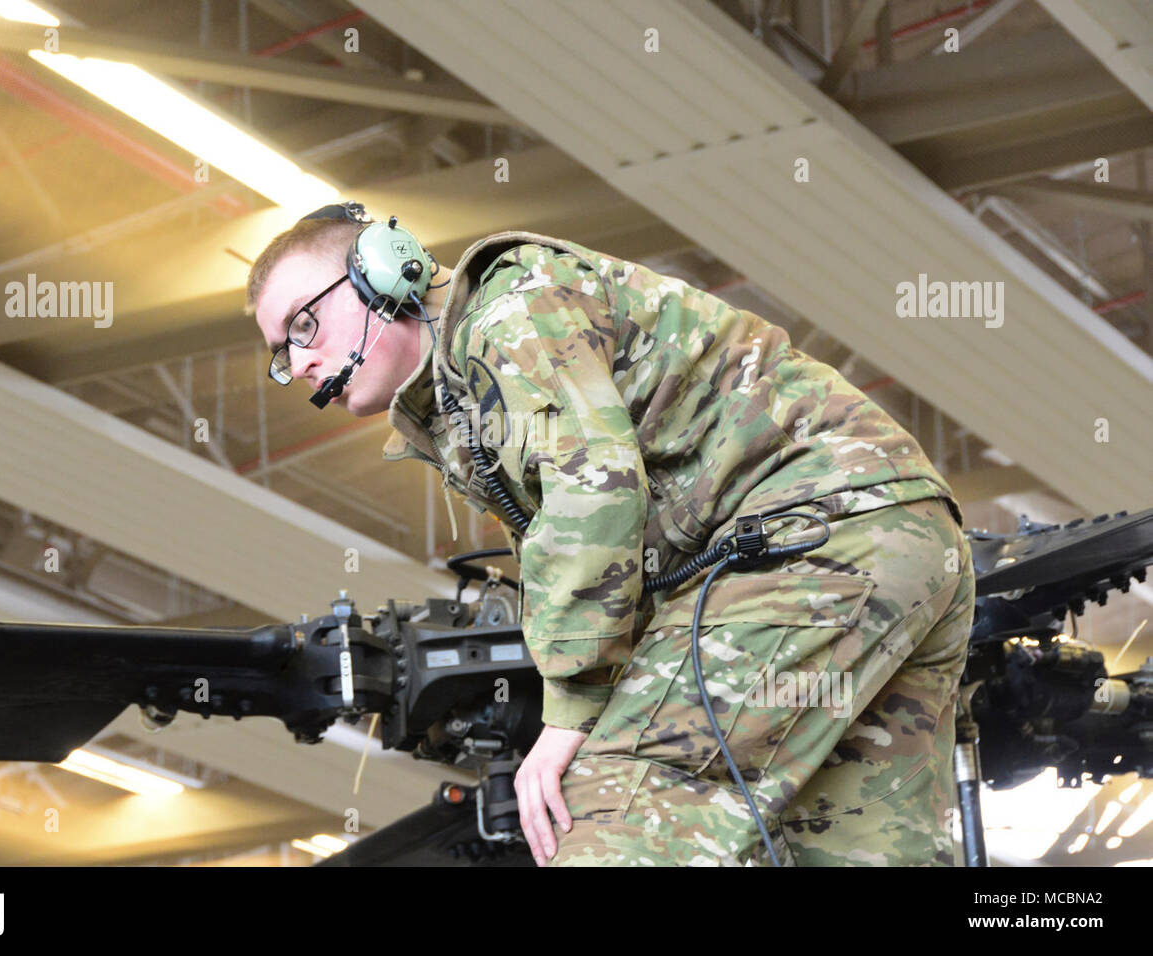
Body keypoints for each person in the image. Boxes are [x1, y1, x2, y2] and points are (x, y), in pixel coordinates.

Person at [245, 202, 976, 867]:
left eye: (303, 325)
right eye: (283, 353)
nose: (299, 362)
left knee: (612, 825)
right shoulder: (465, 397)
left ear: (381, 269)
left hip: (807, 539)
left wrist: (570, 715)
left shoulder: (509, 315)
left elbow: (594, 494)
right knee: (855, 846)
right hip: (891, 538)